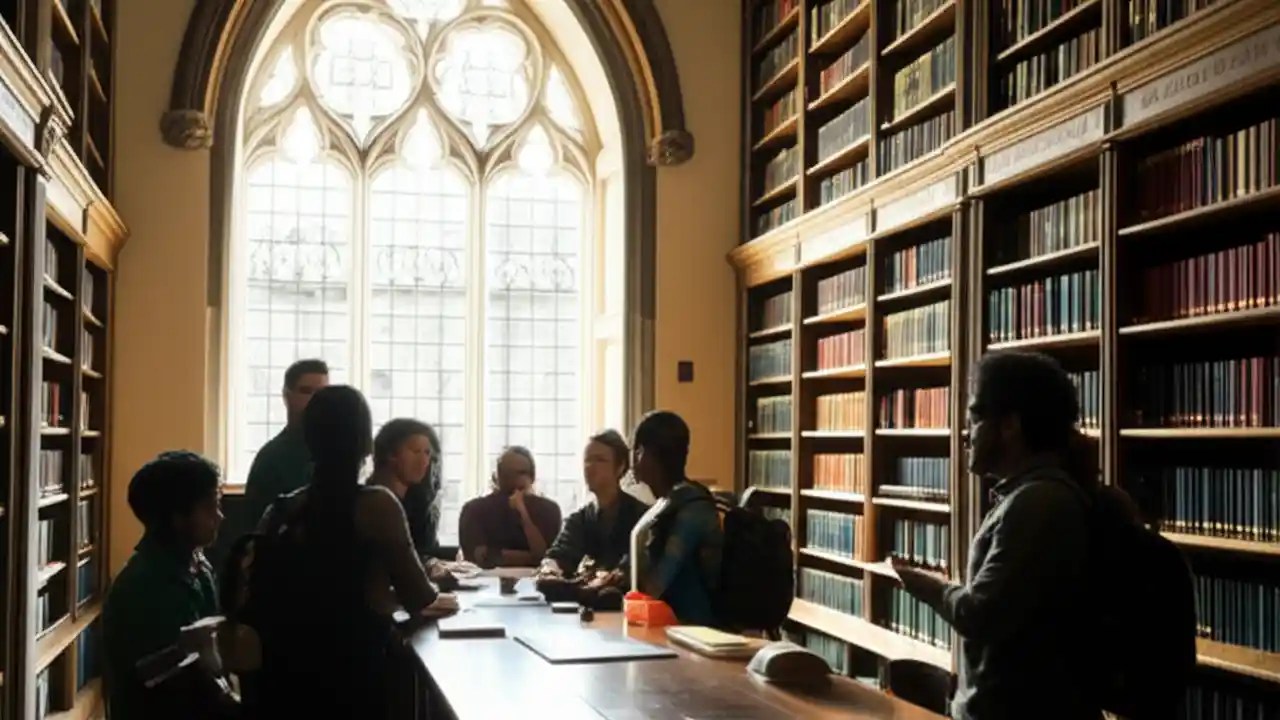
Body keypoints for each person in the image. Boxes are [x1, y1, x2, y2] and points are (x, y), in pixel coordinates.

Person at [891, 350, 1100, 720]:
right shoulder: (1031, 496)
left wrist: (924, 585)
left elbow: (981, 614)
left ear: (1009, 426)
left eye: (974, 418)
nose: (966, 435)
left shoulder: (1038, 502)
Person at [239, 386, 456, 719]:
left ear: (309, 440)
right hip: (354, 678)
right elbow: (419, 597)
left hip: (283, 678)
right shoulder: (377, 505)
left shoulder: (281, 510)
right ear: (368, 445)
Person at [103, 451, 239, 719]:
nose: (220, 517)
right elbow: (168, 684)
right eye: (211, 506)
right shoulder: (143, 587)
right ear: (177, 518)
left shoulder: (198, 566)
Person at [630, 411, 723, 626]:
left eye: (637, 450)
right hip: (670, 627)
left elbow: (656, 585)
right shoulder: (668, 502)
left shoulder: (692, 508)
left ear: (644, 454)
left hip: (696, 631)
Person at [537, 430, 649, 586]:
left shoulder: (641, 516)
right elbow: (559, 554)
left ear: (620, 467)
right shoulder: (580, 519)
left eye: (600, 460)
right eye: (587, 460)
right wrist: (550, 570)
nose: (590, 467)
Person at [367, 418, 458, 589]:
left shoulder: (418, 506)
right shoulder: (371, 503)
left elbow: (424, 550)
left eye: (427, 453)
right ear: (390, 455)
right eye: (416, 451)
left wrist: (435, 562)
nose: (424, 461)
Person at [242, 359, 329, 527]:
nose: (315, 400)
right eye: (306, 391)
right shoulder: (271, 458)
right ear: (287, 395)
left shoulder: (336, 453)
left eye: (321, 393)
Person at [458, 446, 562, 567]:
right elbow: (477, 556)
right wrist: (530, 557)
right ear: (496, 476)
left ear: (532, 477)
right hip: (487, 581)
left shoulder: (549, 510)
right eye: (506, 473)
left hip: (535, 582)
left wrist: (524, 515)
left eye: (520, 473)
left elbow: (547, 558)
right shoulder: (474, 509)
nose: (513, 480)